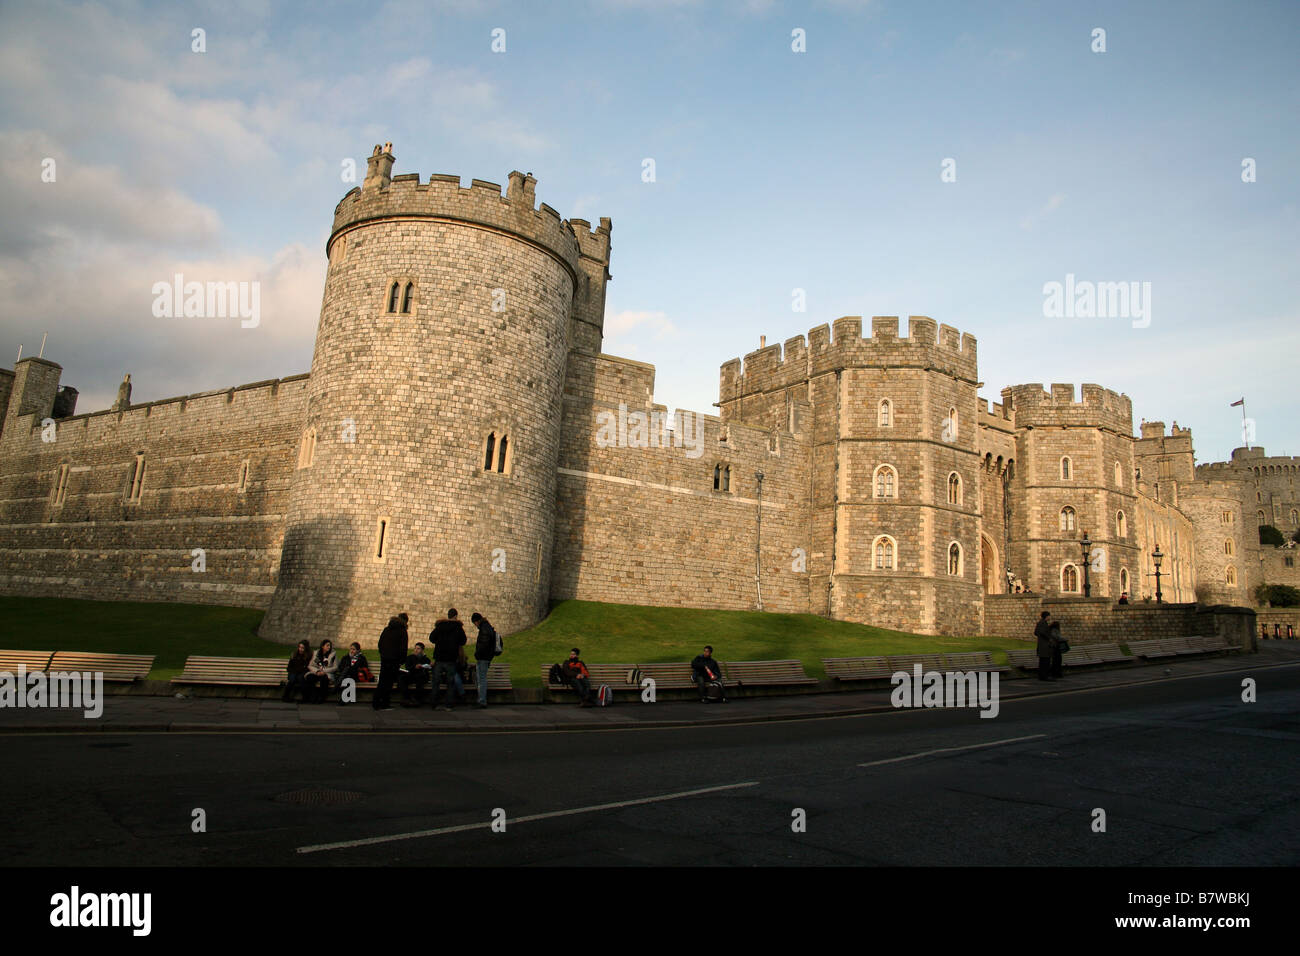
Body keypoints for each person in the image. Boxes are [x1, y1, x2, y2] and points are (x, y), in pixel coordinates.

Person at [430, 608, 467, 710]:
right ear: (455, 616)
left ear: (448, 616)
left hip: (439, 658)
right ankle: (449, 705)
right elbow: (463, 641)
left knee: (436, 682)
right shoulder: (458, 627)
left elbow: (431, 638)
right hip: (451, 658)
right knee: (450, 683)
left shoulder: (440, 626)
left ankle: (434, 704)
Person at [374, 613, 408, 711]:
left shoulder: (387, 629)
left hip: (385, 659)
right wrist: (401, 660)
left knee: (382, 681)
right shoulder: (402, 631)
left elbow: (380, 644)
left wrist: (383, 654)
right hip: (394, 660)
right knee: (388, 683)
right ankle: (385, 703)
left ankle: (376, 702)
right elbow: (403, 648)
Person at [471, 612, 499, 708]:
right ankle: (481, 699)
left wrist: (477, 654)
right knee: (481, 678)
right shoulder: (488, 627)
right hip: (487, 657)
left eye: (474, 623)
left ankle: (482, 701)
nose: (475, 625)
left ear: (477, 621)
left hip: (483, 657)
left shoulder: (484, 629)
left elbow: (484, 644)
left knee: (481, 679)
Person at [1033, 611, 1055, 682]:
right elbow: (1042, 632)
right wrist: (1049, 638)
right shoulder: (1043, 623)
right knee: (1046, 662)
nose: (1049, 617)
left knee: (1042, 661)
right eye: (1049, 616)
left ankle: (1041, 676)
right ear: (1046, 616)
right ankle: (1045, 676)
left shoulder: (1040, 623)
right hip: (1045, 646)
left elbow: (1036, 632)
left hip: (1041, 645)